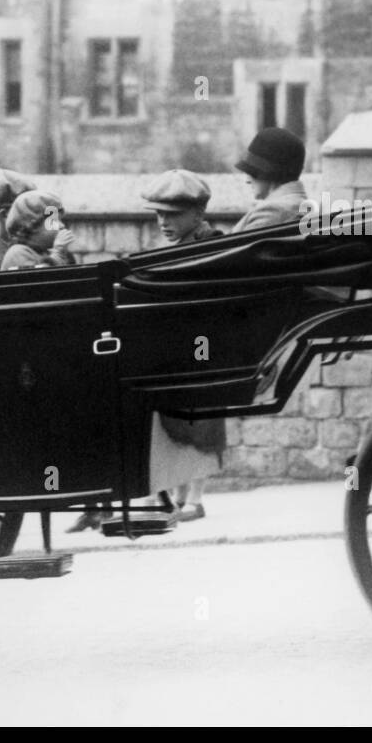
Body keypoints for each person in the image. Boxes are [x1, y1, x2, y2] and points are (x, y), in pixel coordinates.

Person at [142, 168, 227, 524]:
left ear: (198, 214)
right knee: (176, 420)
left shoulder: (211, 247)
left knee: (202, 420)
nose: (163, 221)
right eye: (160, 214)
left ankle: (194, 498)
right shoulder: (175, 248)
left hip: (203, 347)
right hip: (182, 346)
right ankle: (178, 496)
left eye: (173, 214)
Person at [232, 127, 310, 233]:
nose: (247, 180)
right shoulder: (299, 206)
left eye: (253, 172)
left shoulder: (272, 211)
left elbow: (230, 248)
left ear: (269, 173)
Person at [0, 190, 77, 270]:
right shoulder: (18, 253)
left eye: (60, 220)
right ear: (32, 226)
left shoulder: (47, 252)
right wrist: (58, 254)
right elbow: (40, 278)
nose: (62, 225)